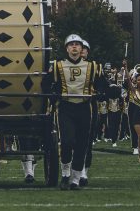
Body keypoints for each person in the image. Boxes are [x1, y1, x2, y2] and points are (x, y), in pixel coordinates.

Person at [43, 34, 107, 190]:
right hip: (65, 107)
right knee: (67, 141)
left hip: (85, 108)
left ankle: (75, 179)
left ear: (81, 48)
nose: (74, 47)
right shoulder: (58, 66)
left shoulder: (92, 66)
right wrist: (52, 93)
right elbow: (45, 84)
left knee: (82, 145)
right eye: (71, 44)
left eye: (77, 44)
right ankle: (65, 173)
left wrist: (105, 91)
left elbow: (103, 84)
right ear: (67, 48)